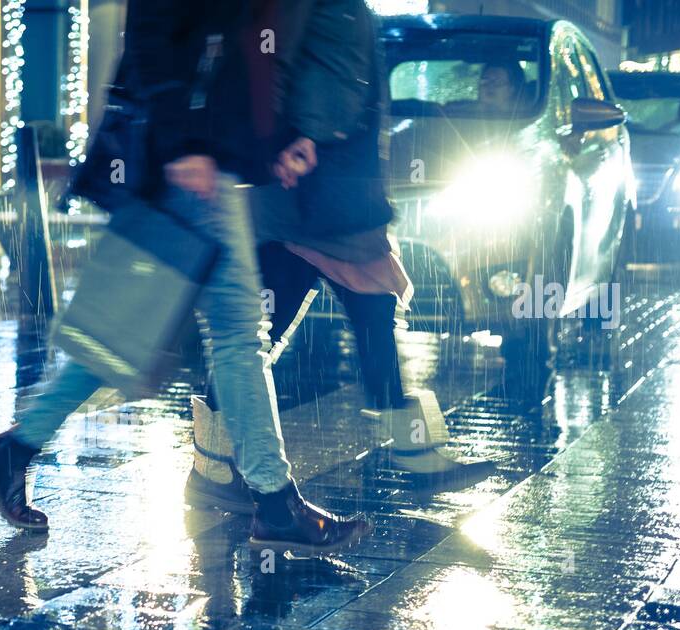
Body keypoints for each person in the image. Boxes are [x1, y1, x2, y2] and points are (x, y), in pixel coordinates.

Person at [0, 0, 372, 557]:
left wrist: (277, 140)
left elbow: (247, 52)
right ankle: (276, 504)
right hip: (190, 166)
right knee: (234, 336)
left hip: (213, 163)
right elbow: (153, 40)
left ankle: (16, 448)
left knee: (137, 333)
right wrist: (183, 146)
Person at [185, 0, 492, 514]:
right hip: (305, 188)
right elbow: (269, 55)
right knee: (287, 323)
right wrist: (286, 141)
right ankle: (413, 451)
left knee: (318, 317)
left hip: (333, 188)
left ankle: (215, 463)